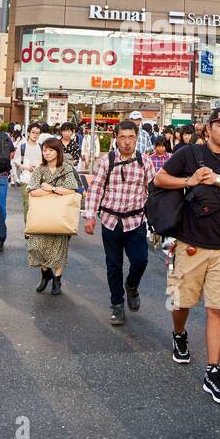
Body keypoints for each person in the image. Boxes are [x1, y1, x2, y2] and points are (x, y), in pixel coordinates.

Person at [154, 107, 220, 405]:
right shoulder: (188, 153)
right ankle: (179, 333)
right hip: (189, 244)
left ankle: (213, 371)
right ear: (207, 128)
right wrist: (190, 181)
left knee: (217, 308)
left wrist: (218, 181)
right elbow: (160, 179)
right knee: (181, 301)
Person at [83, 120, 156, 325]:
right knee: (113, 265)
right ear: (116, 138)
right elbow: (96, 189)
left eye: (131, 137)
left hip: (136, 221)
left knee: (140, 260)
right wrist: (90, 216)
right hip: (110, 221)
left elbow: (153, 191)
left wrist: (158, 219)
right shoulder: (107, 161)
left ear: (137, 137)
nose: (127, 142)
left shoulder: (144, 162)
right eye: (122, 137)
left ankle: (131, 285)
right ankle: (117, 304)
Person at [26, 136, 78, 297]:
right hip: (42, 216)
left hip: (60, 216)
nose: (47, 153)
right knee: (37, 248)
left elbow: (72, 189)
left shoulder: (66, 168)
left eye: (50, 150)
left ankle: (57, 280)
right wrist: (53, 190)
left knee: (59, 249)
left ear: (58, 151)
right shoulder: (39, 169)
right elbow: (32, 190)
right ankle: (45, 274)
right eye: (45, 150)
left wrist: (51, 188)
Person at [14, 122, 44, 187]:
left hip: (38, 181)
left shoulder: (41, 147)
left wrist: (39, 167)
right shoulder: (22, 147)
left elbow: (44, 162)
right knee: (27, 197)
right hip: (25, 180)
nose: (35, 135)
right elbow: (16, 163)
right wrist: (27, 168)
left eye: (37, 133)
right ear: (28, 133)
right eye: (33, 132)